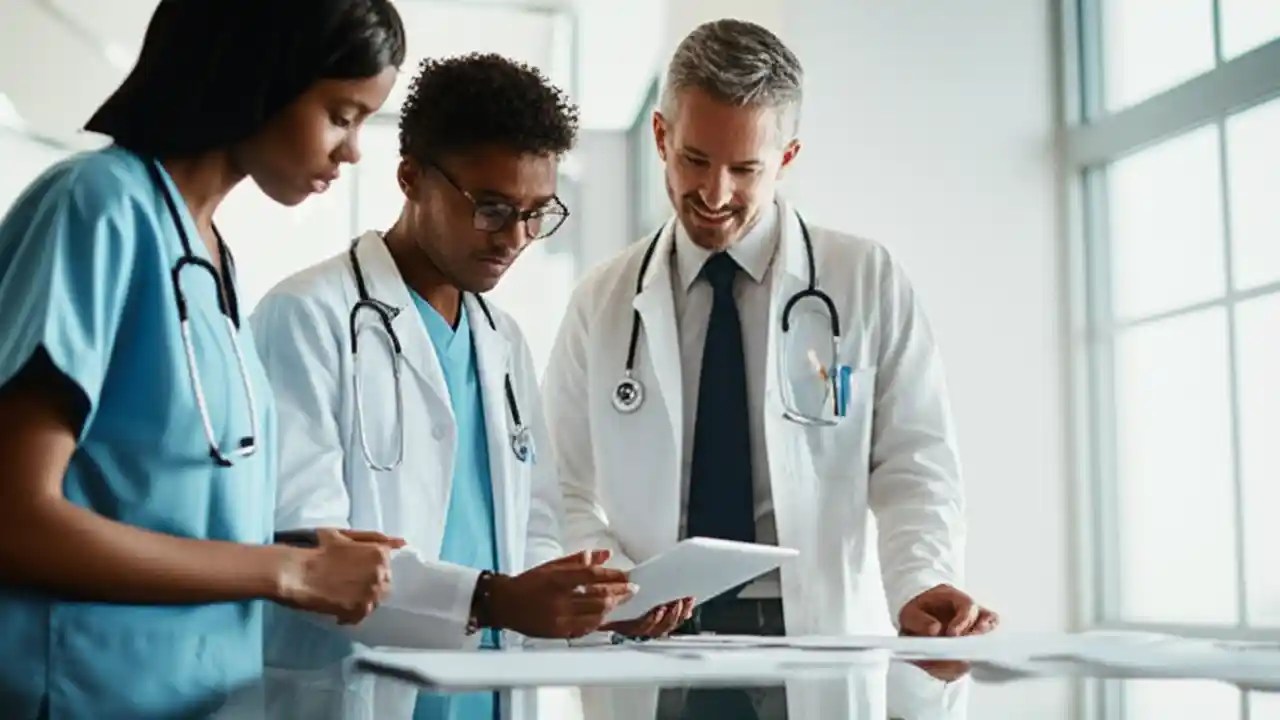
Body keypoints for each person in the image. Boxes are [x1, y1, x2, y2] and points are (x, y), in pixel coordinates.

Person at [543, 18, 998, 720]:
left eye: (744, 169)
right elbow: (559, 487)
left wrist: (922, 580)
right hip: (654, 646)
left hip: (812, 646)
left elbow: (915, 464)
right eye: (694, 160)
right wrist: (619, 585)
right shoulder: (601, 302)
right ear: (661, 136)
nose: (714, 193)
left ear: (786, 156)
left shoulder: (864, 280)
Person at [0, 1, 408, 718]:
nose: (352, 151)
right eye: (341, 115)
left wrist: (297, 549)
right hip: (81, 694)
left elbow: (153, 489)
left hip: (206, 698)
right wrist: (285, 570)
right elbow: (16, 517)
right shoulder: (95, 207)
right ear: (259, 75)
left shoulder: (211, 257)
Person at [250, 53, 657, 720]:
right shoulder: (307, 317)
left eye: (537, 213)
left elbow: (534, 529)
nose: (515, 237)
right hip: (359, 695)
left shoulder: (503, 341)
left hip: (490, 699)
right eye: (491, 208)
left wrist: (594, 603)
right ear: (411, 176)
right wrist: (490, 598)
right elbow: (305, 551)